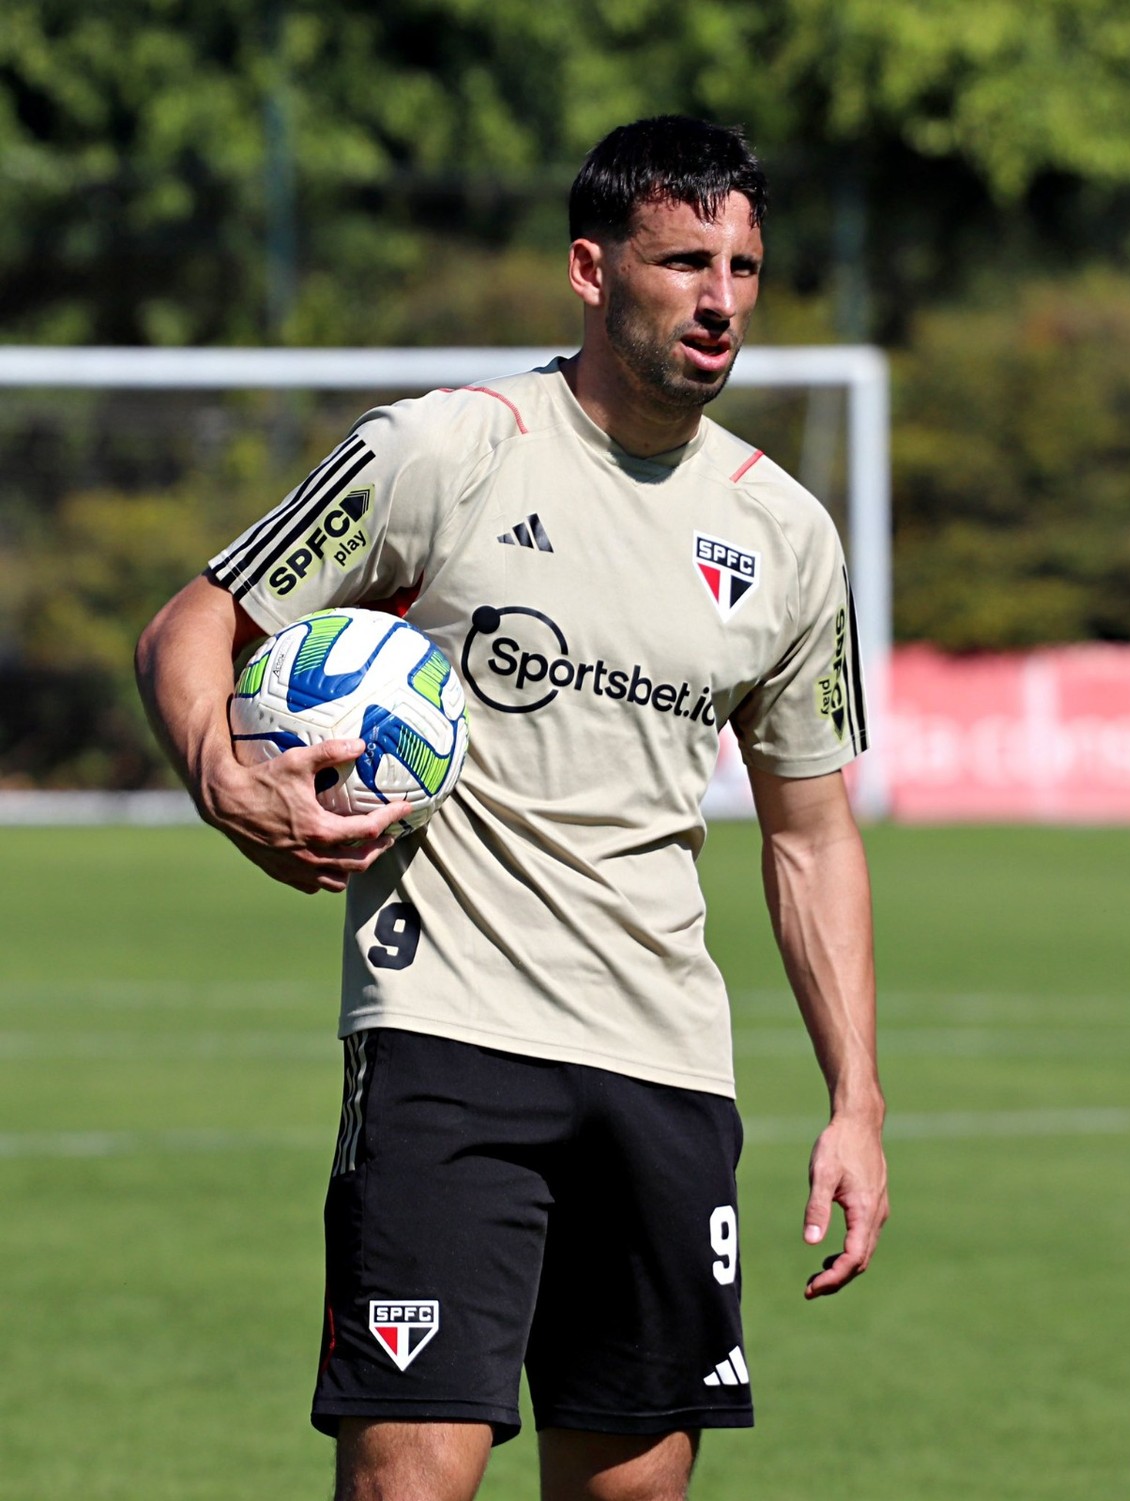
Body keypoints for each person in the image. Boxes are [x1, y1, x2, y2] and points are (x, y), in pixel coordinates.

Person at [136, 115, 888, 1501]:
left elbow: (811, 830)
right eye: (683, 262)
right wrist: (218, 767)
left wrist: (857, 1100)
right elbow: (196, 623)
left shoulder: (787, 536)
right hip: (448, 1043)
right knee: (408, 1480)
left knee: (632, 1489)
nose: (720, 298)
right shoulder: (444, 453)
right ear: (592, 270)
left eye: (743, 266)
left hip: (667, 1067)